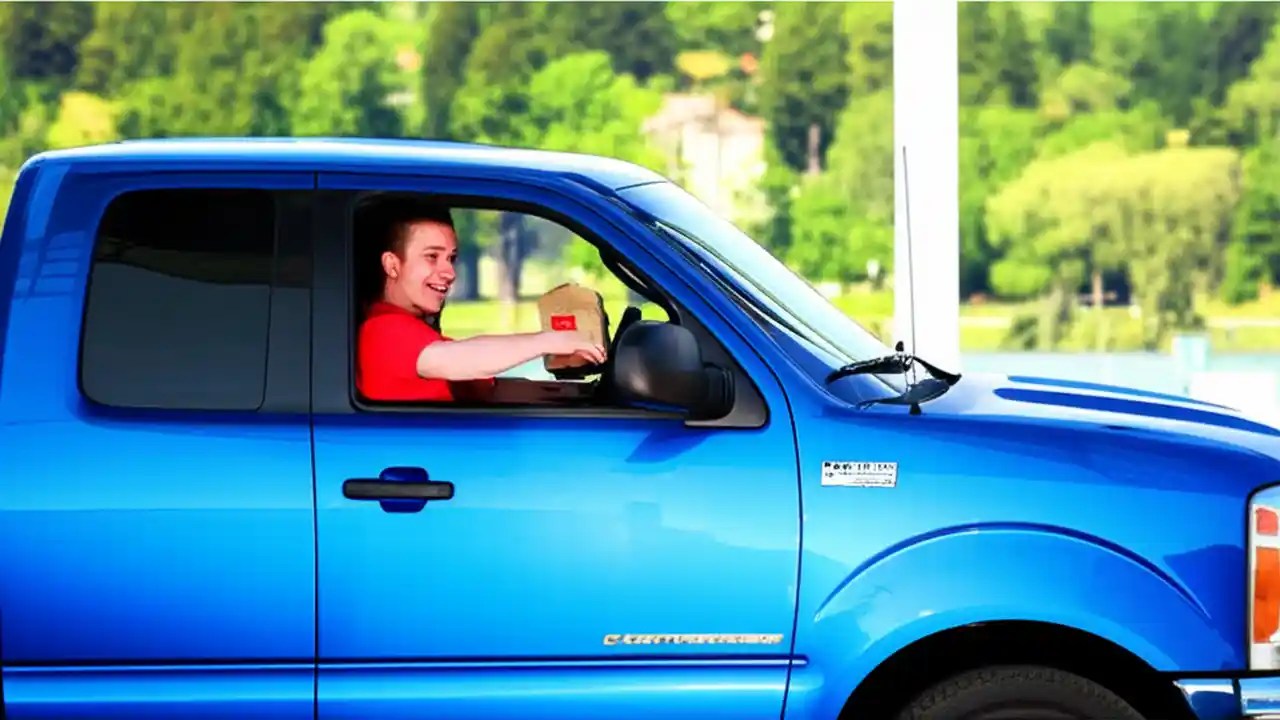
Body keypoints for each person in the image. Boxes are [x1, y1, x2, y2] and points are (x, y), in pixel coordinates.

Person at [356, 199, 607, 403]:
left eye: (451, 258)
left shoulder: (416, 335)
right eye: (432, 257)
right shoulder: (381, 331)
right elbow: (463, 360)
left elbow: (488, 388)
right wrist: (549, 340)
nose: (450, 273)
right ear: (392, 265)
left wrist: (582, 393)